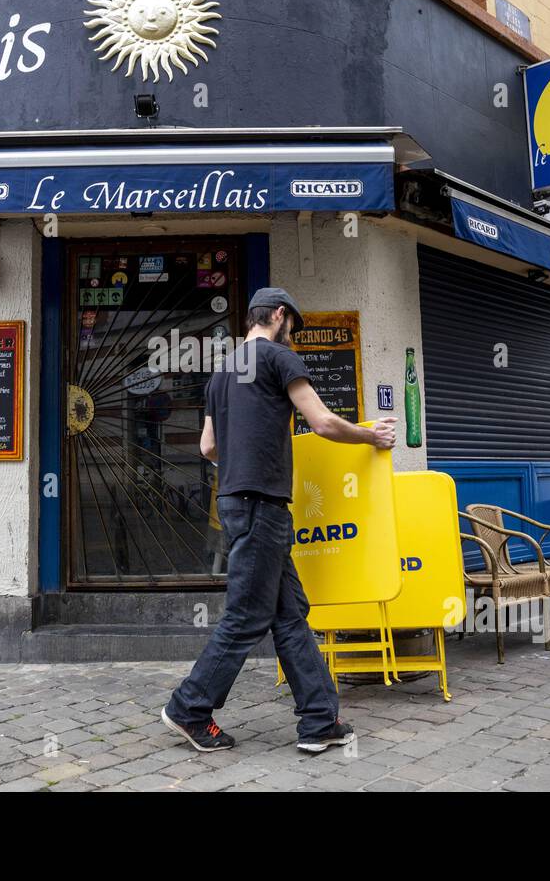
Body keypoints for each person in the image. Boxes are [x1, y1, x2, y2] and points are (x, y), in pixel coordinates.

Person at [161, 288, 397, 754]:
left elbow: (207, 447)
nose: (293, 335)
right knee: (247, 615)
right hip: (262, 505)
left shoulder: (222, 371)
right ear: (280, 315)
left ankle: (319, 720)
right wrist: (371, 438)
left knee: (290, 614)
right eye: (293, 326)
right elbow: (322, 422)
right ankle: (189, 707)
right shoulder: (278, 357)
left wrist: (243, 455)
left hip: (236, 502)